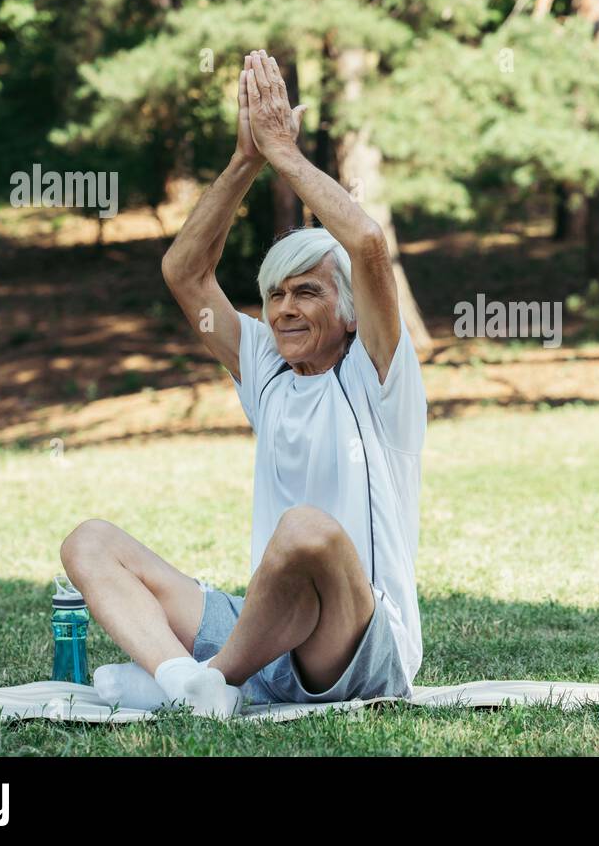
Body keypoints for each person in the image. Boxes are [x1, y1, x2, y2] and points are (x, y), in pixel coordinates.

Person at [60, 49, 426, 718]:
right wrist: (244, 160)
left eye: (307, 293)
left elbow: (368, 244)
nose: (283, 308)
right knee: (88, 542)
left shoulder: (376, 373)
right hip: (269, 634)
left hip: (362, 645)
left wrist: (285, 151)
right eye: (274, 294)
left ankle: (212, 677)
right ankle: (183, 681)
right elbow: (185, 273)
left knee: (306, 529)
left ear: (347, 312)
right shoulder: (267, 369)